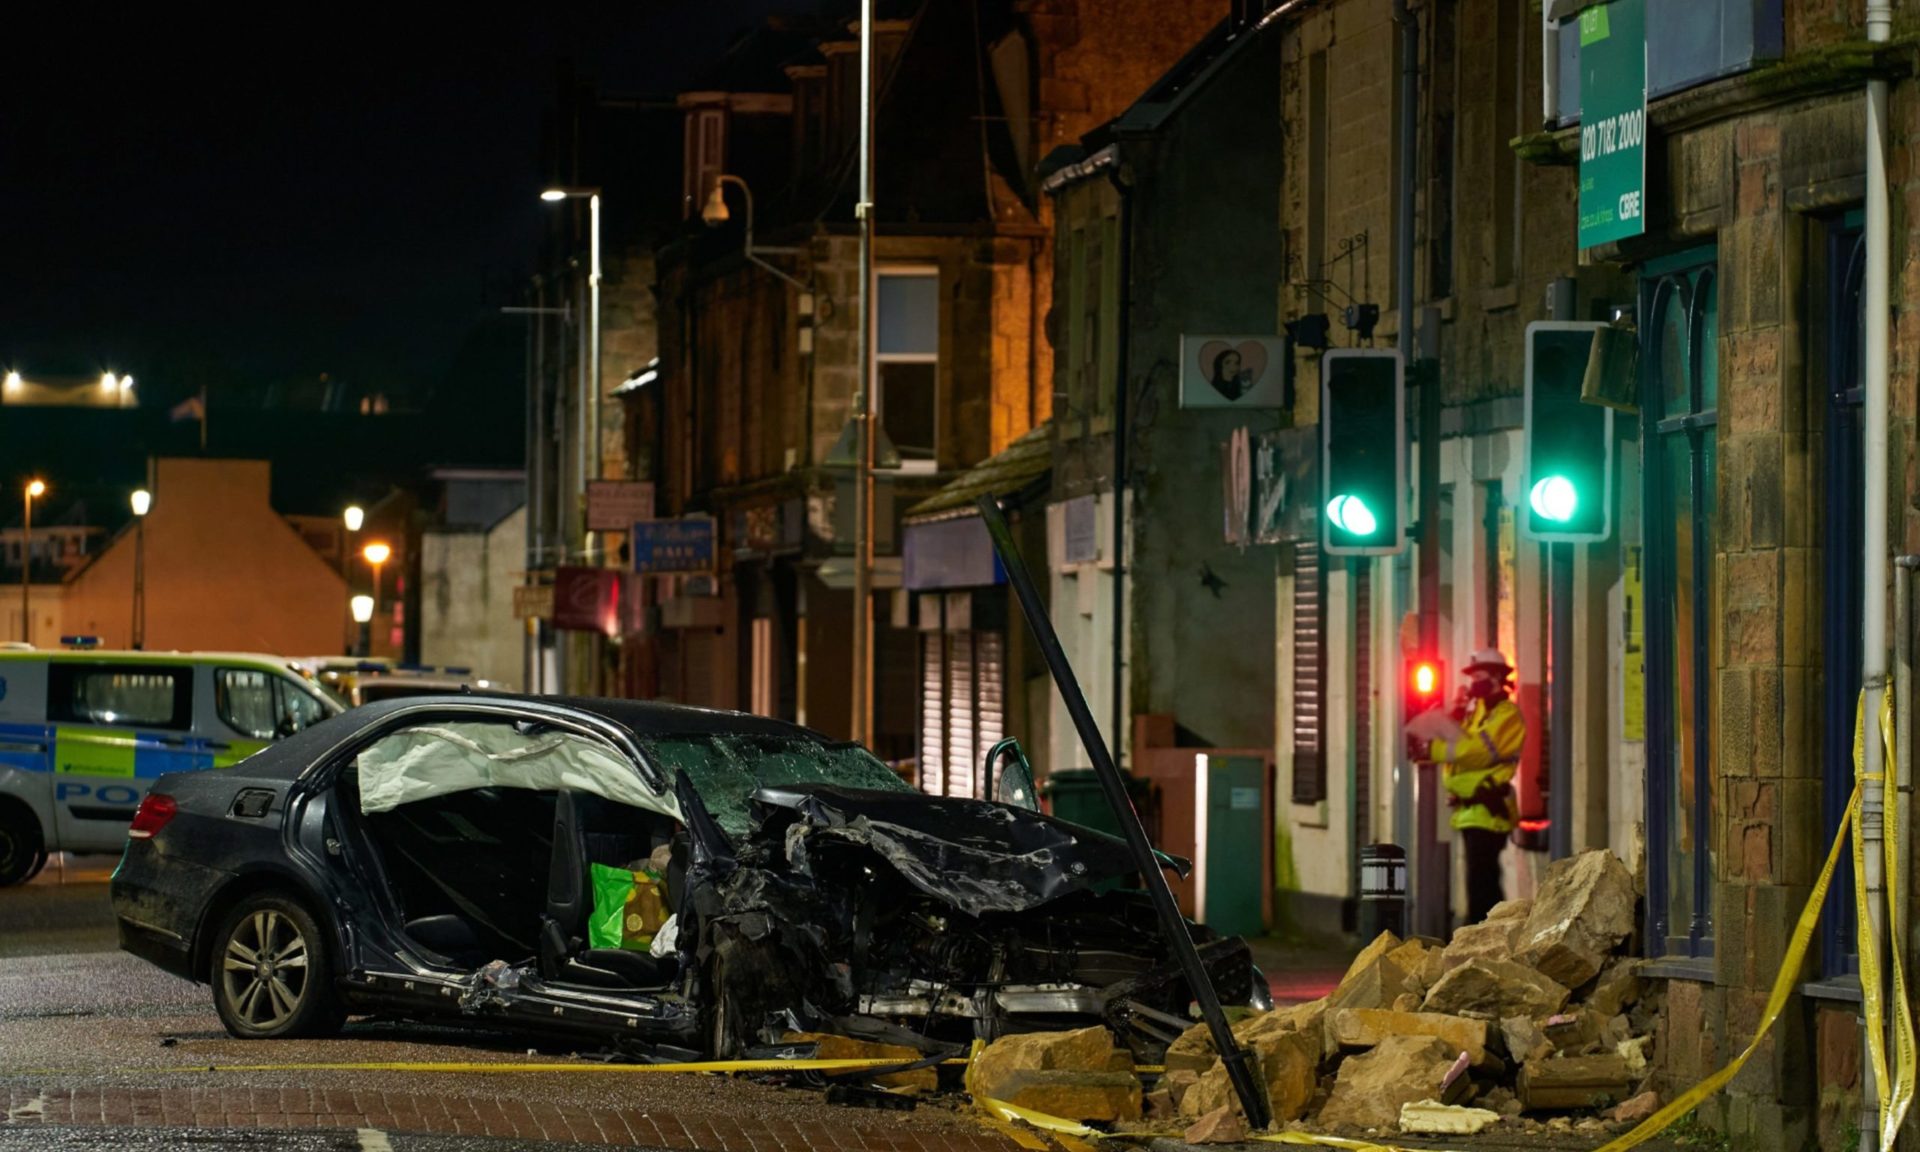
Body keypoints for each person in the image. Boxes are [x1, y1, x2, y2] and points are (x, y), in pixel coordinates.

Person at [1423, 649, 1525, 923]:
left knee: (1483, 888)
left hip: (1489, 813)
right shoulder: (1476, 712)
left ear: (1495, 676)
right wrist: (1454, 713)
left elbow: (1475, 751)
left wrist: (1434, 750)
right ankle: (1482, 942)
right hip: (1470, 812)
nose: (1474, 682)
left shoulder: (1508, 716)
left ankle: (1486, 946)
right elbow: (1456, 748)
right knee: (1477, 885)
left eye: (1479, 676)